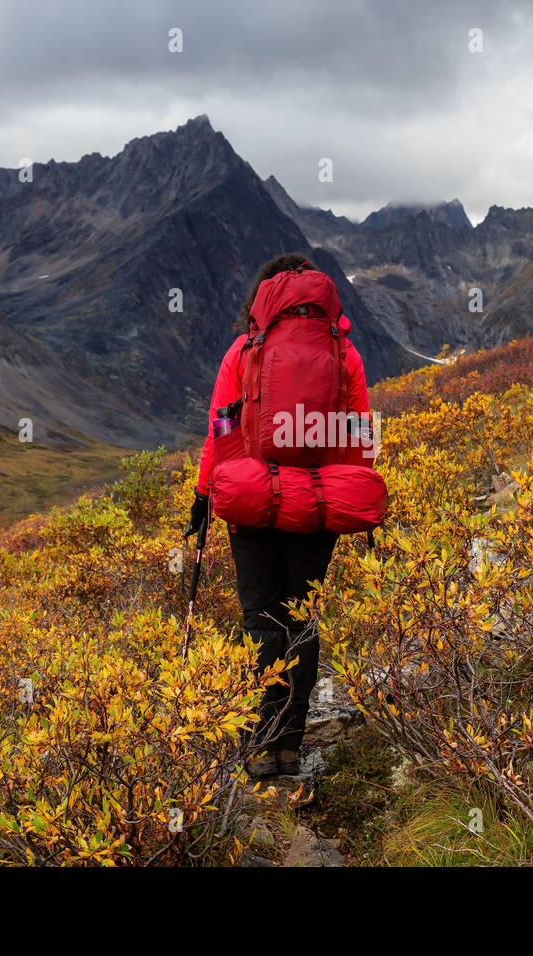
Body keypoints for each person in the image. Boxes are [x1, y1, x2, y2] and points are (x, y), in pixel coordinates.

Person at [185, 253, 372, 777]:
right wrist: (350, 491)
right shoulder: (344, 353)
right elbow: (359, 433)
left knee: (260, 619)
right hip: (316, 508)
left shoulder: (243, 351)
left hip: (252, 505)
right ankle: (290, 747)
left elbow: (220, 433)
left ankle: (259, 745)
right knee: (300, 619)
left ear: (262, 298)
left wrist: (205, 497)